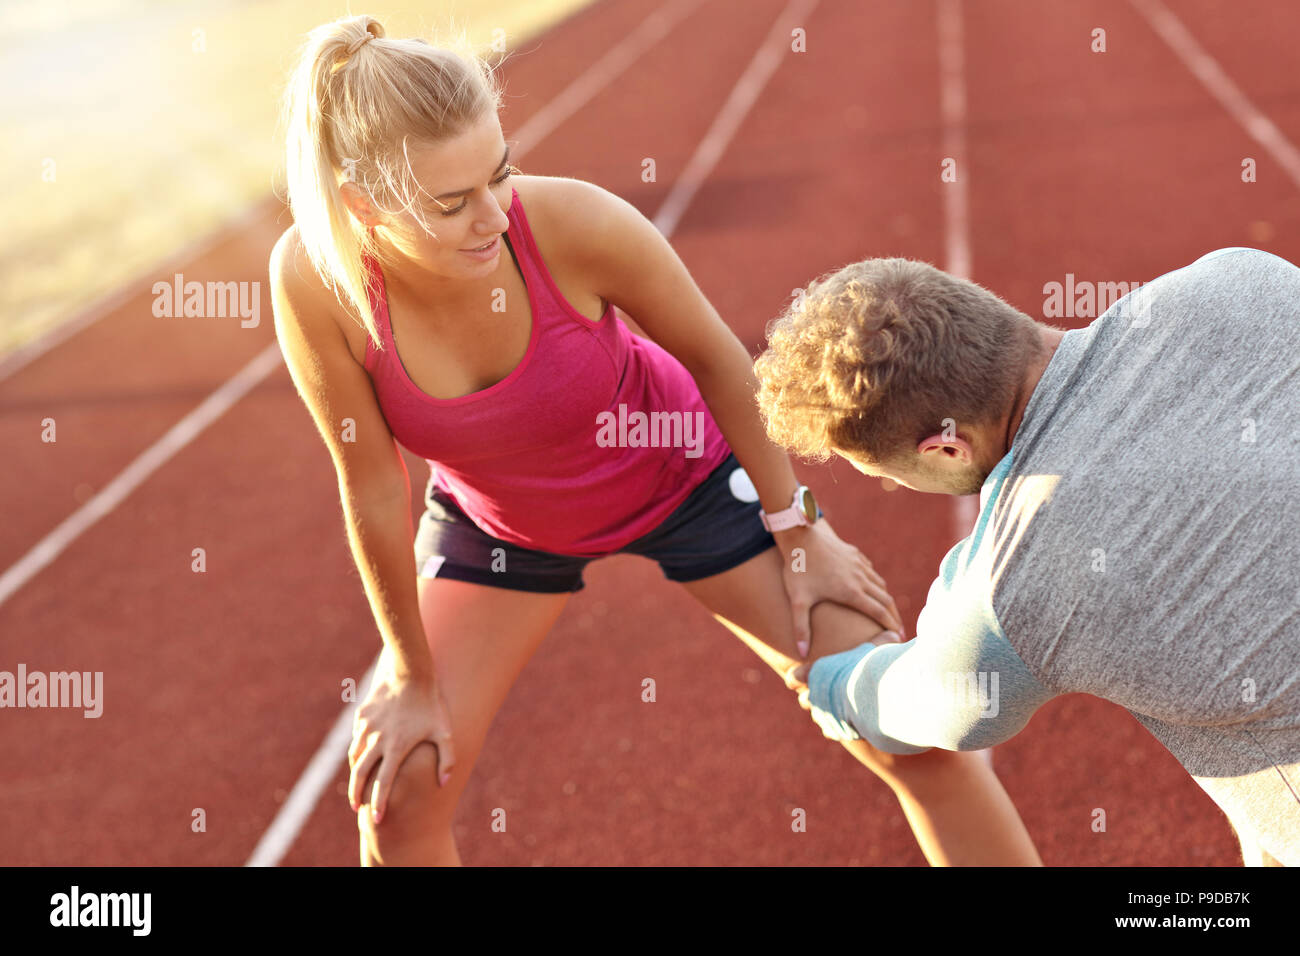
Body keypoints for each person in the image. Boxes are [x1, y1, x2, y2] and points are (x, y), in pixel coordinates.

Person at [269, 14, 1041, 866]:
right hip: (500, 526)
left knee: (909, 738)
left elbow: (717, 358)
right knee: (401, 788)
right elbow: (372, 481)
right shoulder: (315, 283)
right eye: (453, 203)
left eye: (500, 174)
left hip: (692, 479)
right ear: (362, 207)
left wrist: (801, 530)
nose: (493, 215)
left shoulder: (571, 223)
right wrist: (412, 678)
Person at [761, 247, 1300, 867]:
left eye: (884, 472)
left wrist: (835, 682)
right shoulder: (1240, 275)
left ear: (945, 450)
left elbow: (928, 706)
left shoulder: (1013, 581)